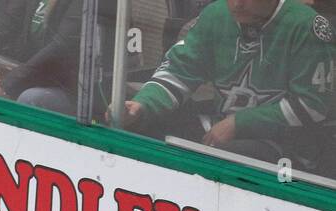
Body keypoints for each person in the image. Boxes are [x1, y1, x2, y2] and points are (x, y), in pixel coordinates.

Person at [124, 0, 335, 169]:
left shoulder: (306, 26)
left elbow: (312, 106)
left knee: (216, 160)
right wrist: (142, 105)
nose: (237, 4)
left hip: (289, 148)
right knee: (146, 128)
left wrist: (239, 123)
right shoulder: (216, 15)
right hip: (221, 127)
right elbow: (179, 70)